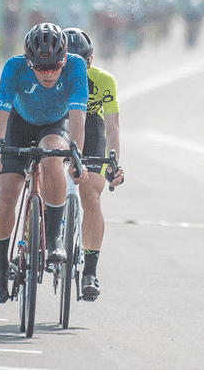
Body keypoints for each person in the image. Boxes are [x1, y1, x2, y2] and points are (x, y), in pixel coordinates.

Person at [0, 22, 90, 303]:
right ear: (28, 62)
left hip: (56, 123)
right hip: (19, 123)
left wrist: (76, 155)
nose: (48, 74)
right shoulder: (14, 67)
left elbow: (78, 118)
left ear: (64, 59)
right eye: (40, 68)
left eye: (54, 67)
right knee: (6, 194)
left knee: (54, 158)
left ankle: (54, 237)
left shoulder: (76, 67)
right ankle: (0, 265)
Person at [64, 28, 125, 300]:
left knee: (91, 196)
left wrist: (113, 163)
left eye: (83, 61)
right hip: (59, 123)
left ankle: (89, 271)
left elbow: (112, 128)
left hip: (91, 129)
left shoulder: (103, 80)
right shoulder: (51, 77)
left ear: (91, 60)